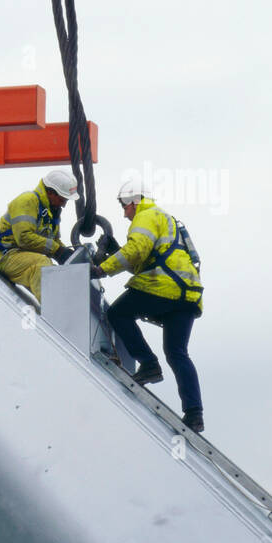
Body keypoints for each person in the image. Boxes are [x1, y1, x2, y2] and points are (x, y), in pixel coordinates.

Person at [96, 171, 206, 433]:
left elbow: (136, 251)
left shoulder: (145, 216)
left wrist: (102, 269)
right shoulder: (167, 220)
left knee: (118, 314)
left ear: (134, 200)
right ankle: (194, 414)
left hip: (165, 287)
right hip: (187, 294)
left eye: (124, 206)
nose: (124, 214)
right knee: (177, 353)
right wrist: (115, 252)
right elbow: (148, 261)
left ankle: (148, 364)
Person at [0, 168, 78, 302]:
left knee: (54, 273)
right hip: (4, 256)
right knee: (42, 266)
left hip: (21, 256)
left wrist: (68, 256)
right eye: (62, 199)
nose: (64, 204)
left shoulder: (50, 210)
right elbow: (24, 238)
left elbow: (53, 240)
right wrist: (57, 251)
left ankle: (60, 306)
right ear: (50, 192)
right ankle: (54, 310)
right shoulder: (27, 201)